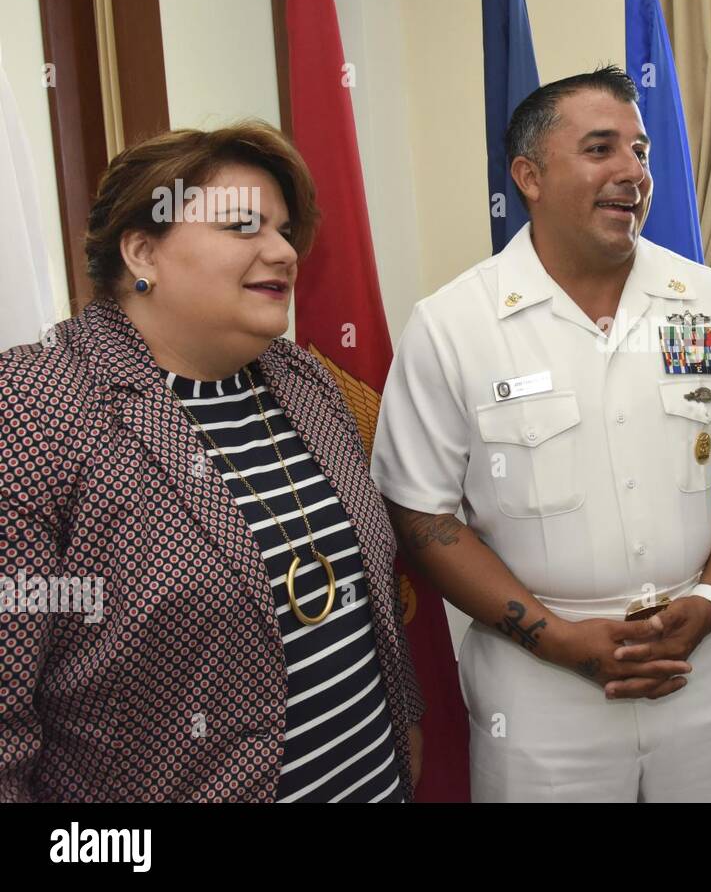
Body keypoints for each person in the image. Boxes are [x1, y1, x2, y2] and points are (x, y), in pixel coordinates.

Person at [371, 66, 711, 802]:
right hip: (540, 696)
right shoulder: (453, 327)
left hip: (699, 675)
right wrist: (556, 637)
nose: (633, 171)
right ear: (528, 175)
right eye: (601, 149)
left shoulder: (707, 302)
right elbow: (420, 515)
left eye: (641, 151)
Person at [0, 123, 426, 802]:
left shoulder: (304, 382)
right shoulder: (35, 406)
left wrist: (402, 721)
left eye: (285, 231)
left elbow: (367, 592)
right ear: (143, 251)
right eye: (242, 227)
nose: (283, 251)